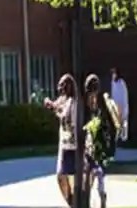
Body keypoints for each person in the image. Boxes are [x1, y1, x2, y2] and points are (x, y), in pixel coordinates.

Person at [83, 74, 121, 208]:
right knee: (90, 176)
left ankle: (101, 199)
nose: (91, 97)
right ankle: (92, 200)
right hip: (90, 144)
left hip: (100, 145)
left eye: (93, 91)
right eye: (89, 92)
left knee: (97, 173)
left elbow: (113, 122)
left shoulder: (104, 102)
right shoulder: (87, 104)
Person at [43, 74, 78, 207]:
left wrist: (54, 109)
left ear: (69, 86)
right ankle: (71, 203)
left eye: (63, 86)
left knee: (70, 178)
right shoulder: (65, 99)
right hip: (64, 145)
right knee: (61, 176)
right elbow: (57, 106)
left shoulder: (74, 102)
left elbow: (66, 119)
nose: (60, 89)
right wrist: (51, 105)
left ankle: (74, 202)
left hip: (72, 146)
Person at [109, 68, 129, 144]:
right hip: (115, 106)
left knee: (123, 122)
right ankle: (117, 138)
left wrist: (122, 106)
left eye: (114, 74)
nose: (113, 76)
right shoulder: (112, 83)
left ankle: (123, 139)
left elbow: (123, 95)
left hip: (122, 106)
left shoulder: (122, 83)